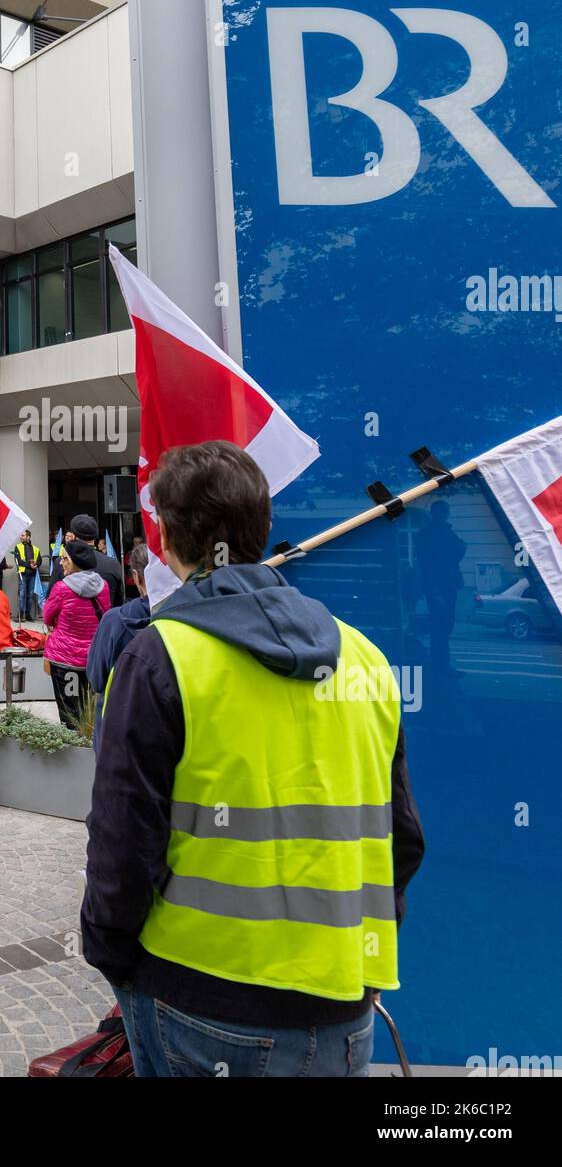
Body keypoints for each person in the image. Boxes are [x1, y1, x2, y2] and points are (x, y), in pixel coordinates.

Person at [82, 441, 425, 1079]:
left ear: (165, 537)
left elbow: (122, 844)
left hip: (197, 1000)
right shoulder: (366, 660)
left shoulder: (158, 659)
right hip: (344, 1005)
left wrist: (112, 956)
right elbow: (402, 840)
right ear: (262, 528)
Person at [86, 541, 151, 751]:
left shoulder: (115, 621)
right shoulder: (192, 616)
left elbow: (97, 679)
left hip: (116, 736)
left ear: (136, 577)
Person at [42, 539, 110, 729]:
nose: (61, 563)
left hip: (64, 659)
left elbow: (47, 617)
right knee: (89, 711)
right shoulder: (103, 586)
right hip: (92, 659)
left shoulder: (61, 588)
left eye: (64, 559)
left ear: (72, 562)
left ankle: (72, 747)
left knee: (68, 714)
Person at [415, 499, 466, 677]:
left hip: (447, 585)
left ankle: (441, 665)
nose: (446, 515)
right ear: (437, 513)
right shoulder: (429, 534)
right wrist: (434, 592)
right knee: (440, 627)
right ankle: (440, 666)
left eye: (446, 511)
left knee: (444, 627)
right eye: (444, 511)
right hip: (440, 587)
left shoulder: (442, 531)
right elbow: (427, 565)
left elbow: (451, 558)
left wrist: (460, 550)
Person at [45, 514, 123, 607]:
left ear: (73, 536)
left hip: (70, 620)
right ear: (94, 537)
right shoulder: (113, 564)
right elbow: (118, 604)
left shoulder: (62, 562)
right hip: (105, 620)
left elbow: (50, 603)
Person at [13, 529, 42, 622]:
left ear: (28, 537)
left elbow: (39, 560)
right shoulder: (17, 547)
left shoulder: (36, 548)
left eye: (23, 535)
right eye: (21, 535)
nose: (21, 537)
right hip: (23, 574)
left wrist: (36, 565)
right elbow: (18, 560)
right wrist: (29, 565)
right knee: (22, 594)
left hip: (32, 574)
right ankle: (21, 615)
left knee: (30, 594)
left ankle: (28, 614)